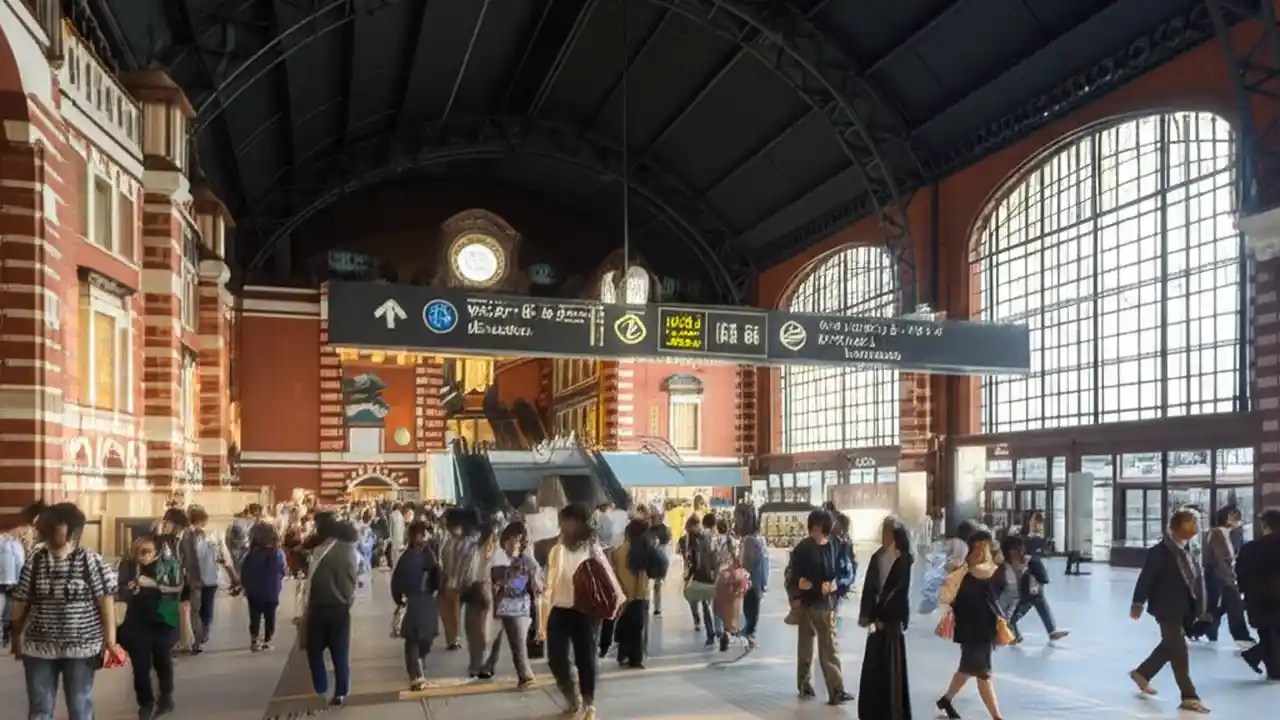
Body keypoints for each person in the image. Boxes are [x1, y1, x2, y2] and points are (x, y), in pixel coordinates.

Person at [10, 502, 122, 720]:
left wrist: (111, 642)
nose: (55, 531)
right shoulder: (35, 559)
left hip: (82, 648)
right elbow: (21, 600)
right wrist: (16, 634)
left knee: (81, 707)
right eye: (51, 525)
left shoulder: (90, 560)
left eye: (60, 525)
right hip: (39, 648)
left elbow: (105, 601)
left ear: (72, 529)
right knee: (40, 709)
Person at [541, 502, 622, 720]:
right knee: (555, 657)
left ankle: (589, 703)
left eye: (568, 520)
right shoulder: (556, 546)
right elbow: (549, 575)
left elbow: (607, 577)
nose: (564, 525)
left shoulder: (592, 547)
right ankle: (571, 695)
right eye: (563, 521)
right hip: (560, 607)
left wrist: (615, 603)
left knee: (585, 658)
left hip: (586, 611)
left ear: (578, 522)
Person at [1128, 509, 1211, 714]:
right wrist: (1138, 602)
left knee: (1170, 645)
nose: (1196, 525)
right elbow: (1146, 578)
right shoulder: (1159, 552)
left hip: (1186, 607)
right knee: (1179, 650)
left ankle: (1142, 673)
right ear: (1176, 526)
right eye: (1191, 522)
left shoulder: (1190, 550)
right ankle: (1189, 695)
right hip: (1167, 608)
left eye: (1197, 521)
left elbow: (1196, 580)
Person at [785, 509, 854, 706]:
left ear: (827, 529)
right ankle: (804, 685)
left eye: (820, 529)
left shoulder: (836, 546)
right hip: (807, 604)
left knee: (829, 648)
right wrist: (798, 586)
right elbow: (791, 575)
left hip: (826, 605)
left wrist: (837, 584)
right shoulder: (803, 548)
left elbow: (846, 571)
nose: (816, 533)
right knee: (805, 648)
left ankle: (836, 690)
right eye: (814, 528)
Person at [936, 529, 1005, 720]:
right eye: (976, 548)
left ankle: (946, 699)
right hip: (969, 629)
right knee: (983, 673)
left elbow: (999, 597)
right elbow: (952, 598)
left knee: (967, 669)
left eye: (983, 547)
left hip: (986, 629)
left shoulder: (994, 573)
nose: (979, 552)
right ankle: (997, 716)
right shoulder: (963, 573)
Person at [117, 534, 183, 717]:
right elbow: (120, 589)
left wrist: (153, 585)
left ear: (155, 552)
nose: (141, 556)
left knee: (163, 662)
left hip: (162, 622)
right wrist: (129, 590)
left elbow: (177, 588)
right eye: (137, 552)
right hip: (137, 624)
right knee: (140, 666)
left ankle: (166, 696)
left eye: (146, 552)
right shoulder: (128, 565)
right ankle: (145, 703)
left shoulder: (168, 565)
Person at [299, 512, 359, 707]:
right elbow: (354, 579)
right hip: (340, 609)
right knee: (340, 652)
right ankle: (341, 691)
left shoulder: (318, 551)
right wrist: (347, 599)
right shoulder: (349, 550)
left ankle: (321, 686)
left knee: (314, 650)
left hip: (318, 608)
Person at [858, 518, 913, 720]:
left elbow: (900, 593)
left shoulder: (903, 559)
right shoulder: (877, 557)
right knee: (875, 668)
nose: (883, 536)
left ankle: (893, 711)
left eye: (887, 532)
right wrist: (870, 615)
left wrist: (887, 616)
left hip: (892, 621)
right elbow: (869, 589)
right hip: (878, 620)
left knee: (892, 670)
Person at [482, 521, 541, 686]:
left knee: (516, 639)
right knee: (499, 637)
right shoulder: (498, 557)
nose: (515, 543)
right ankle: (491, 666)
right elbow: (497, 581)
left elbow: (533, 586)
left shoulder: (527, 561)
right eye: (512, 538)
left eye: (520, 539)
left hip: (518, 605)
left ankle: (524, 674)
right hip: (502, 604)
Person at [392, 521, 442, 691]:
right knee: (414, 639)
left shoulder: (427, 556)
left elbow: (438, 577)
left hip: (423, 600)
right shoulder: (410, 558)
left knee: (422, 638)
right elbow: (396, 583)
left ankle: (418, 663)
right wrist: (400, 600)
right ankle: (415, 675)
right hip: (416, 601)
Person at [180, 506, 237, 654]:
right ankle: (204, 633)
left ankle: (198, 639)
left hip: (193, 580)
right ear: (204, 520)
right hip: (211, 578)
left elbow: (181, 559)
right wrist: (234, 578)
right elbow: (225, 558)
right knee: (207, 609)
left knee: (195, 610)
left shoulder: (184, 536)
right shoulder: (214, 535)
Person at [610, 518, 666, 668]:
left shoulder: (620, 551)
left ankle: (623, 654)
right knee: (638, 627)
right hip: (640, 594)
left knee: (624, 624)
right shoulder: (644, 549)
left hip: (623, 594)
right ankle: (636, 658)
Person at [1203, 505, 1255, 646]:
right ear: (1226, 518)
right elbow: (1221, 558)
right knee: (1234, 605)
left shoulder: (1228, 534)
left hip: (1221, 575)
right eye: (1234, 516)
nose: (1238, 520)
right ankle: (1241, 637)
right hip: (1219, 575)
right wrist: (1230, 577)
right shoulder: (1217, 533)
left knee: (1218, 607)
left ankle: (1200, 629)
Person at [1238, 509, 1280, 678]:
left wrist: (1244, 593)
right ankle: (1257, 657)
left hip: (1257, 600)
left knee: (1266, 633)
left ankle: (1271, 668)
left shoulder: (1250, 549)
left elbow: (1240, 573)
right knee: (1274, 635)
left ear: (1265, 526)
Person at [240, 522, 287, 652]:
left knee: (254, 616)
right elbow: (282, 571)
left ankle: (254, 639)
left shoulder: (251, 554)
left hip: (254, 591)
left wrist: (245, 585)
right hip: (272, 590)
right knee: (270, 616)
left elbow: (245, 571)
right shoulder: (278, 554)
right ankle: (267, 639)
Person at [737, 504, 769, 647]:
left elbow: (751, 563)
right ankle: (749, 632)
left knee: (751, 607)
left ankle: (750, 632)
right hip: (754, 581)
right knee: (749, 606)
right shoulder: (755, 539)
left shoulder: (751, 541)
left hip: (752, 580)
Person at [0, 517, 27, 649]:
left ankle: (5, 632)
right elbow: (20, 562)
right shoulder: (15, 544)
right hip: (11, 579)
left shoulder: (10, 543)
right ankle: (6, 632)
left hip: (5, 579)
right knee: (9, 604)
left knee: (6, 604)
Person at [388, 502, 407, 570]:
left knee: (394, 555)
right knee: (399, 555)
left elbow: (390, 528)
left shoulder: (391, 515)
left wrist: (390, 538)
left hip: (394, 538)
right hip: (400, 538)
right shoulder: (401, 516)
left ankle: (395, 568)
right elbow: (403, 528)